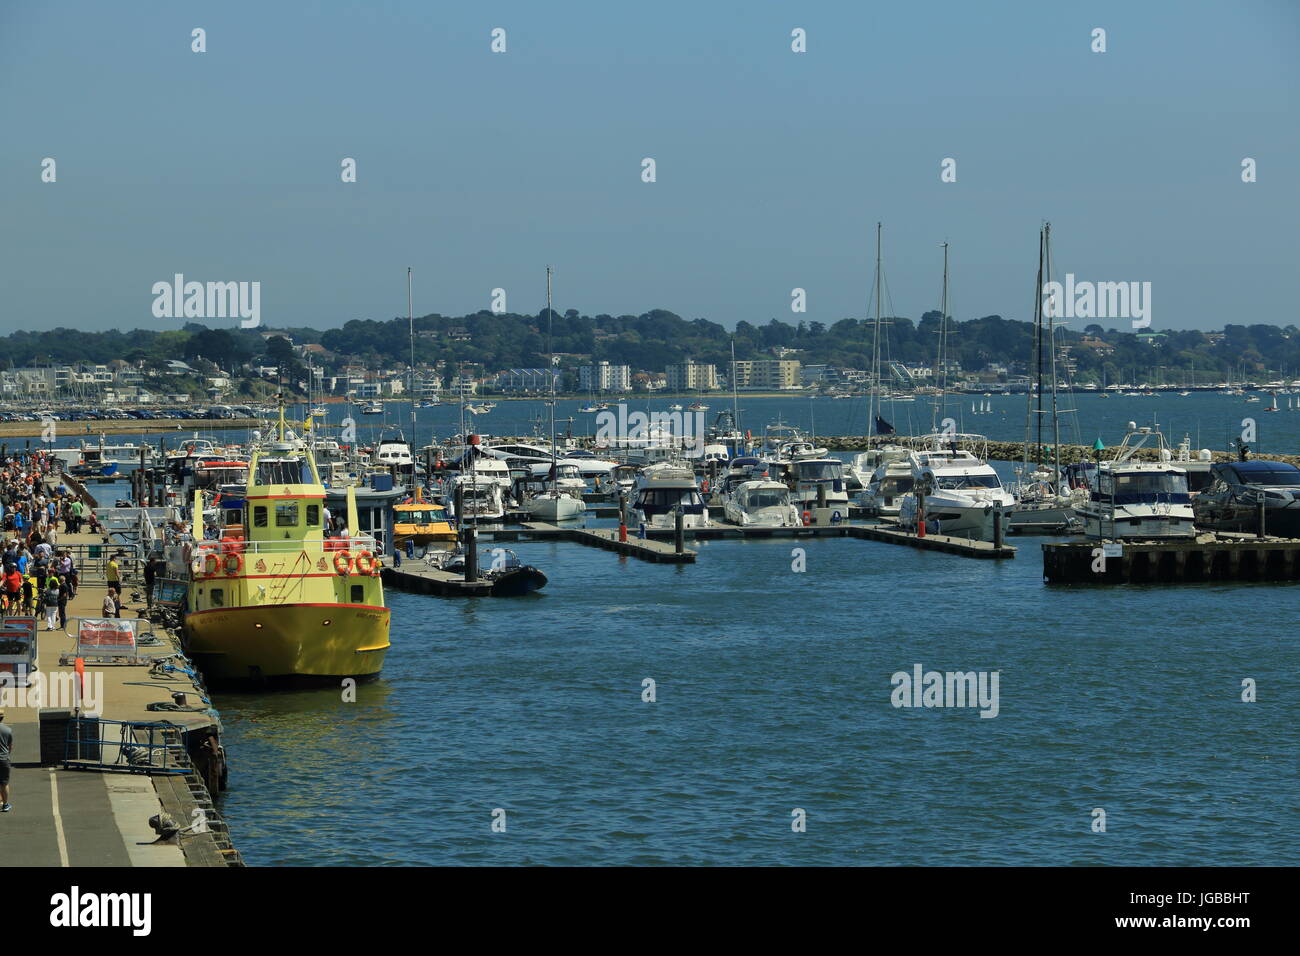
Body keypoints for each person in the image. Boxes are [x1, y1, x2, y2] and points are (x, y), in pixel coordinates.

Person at [0, 709, 12, 812]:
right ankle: (5, 805)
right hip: (4, 759)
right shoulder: (8, 730)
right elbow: (10, 746)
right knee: (4, 783)